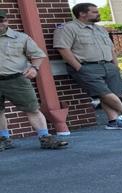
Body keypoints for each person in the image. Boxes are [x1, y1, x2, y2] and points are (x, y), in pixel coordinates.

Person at [54, 3, 122, 129]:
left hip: (108, 65)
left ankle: (113, 122)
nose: (98, 14)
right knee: (104, 93)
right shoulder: (68, 28)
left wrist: (116, 66)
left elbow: (112, 49)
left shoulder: (100, 29)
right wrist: (78, 67)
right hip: (87, 67)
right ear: (82, 14)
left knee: (112, 94)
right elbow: (63, 49)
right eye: (94, 12)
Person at [0, 9, 70, 150]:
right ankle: (4, 139)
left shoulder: (21, 38)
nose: (0, 23)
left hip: (16, 80)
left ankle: (45, 138)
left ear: (6, 21)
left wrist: (34, 68)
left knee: (32, 109)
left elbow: (38, 55)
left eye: (1, 20)